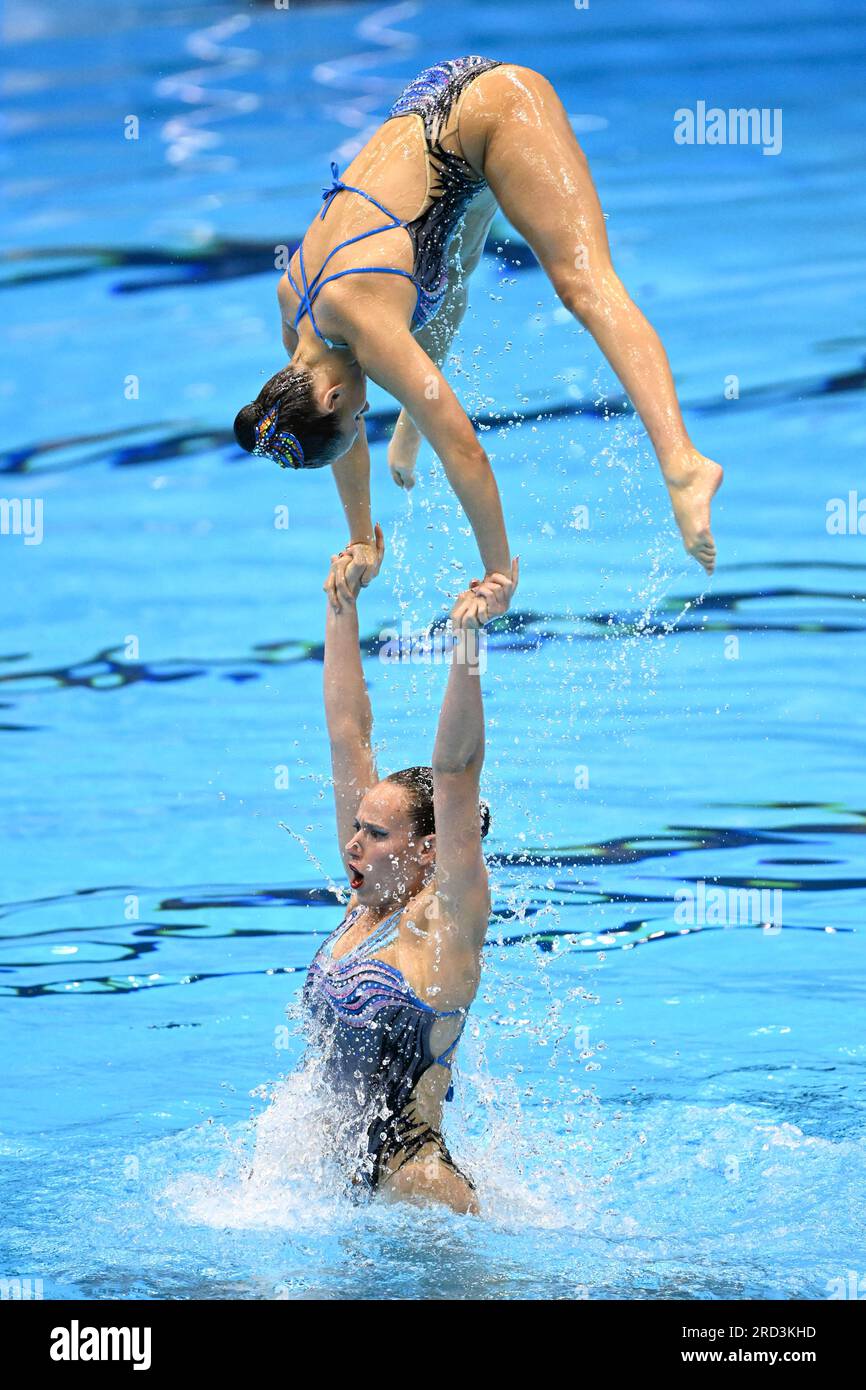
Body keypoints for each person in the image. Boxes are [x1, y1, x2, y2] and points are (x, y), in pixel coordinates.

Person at [234, 55, 722, 618]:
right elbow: (336, 435)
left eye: (360, 415)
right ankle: (411, 428)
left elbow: (465, 449)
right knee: (441, 282)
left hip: (496, 108)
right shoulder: (297, 321)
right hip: (434, 114)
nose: (367, 407)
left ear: (332, 398)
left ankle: (683, 464)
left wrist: (496, 572)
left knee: (583, 283)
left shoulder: (357, 313)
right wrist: (361, 537)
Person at [300, 522, 519, 1212]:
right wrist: (344, 600)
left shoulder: (446, 926)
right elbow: (347, 732)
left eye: (374, 833)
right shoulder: (367, 905)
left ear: (427, 848)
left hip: (416, 1191)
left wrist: (467, 643)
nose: (351, 846)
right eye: (356, 828)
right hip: (337, 1188)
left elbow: (456, 772)